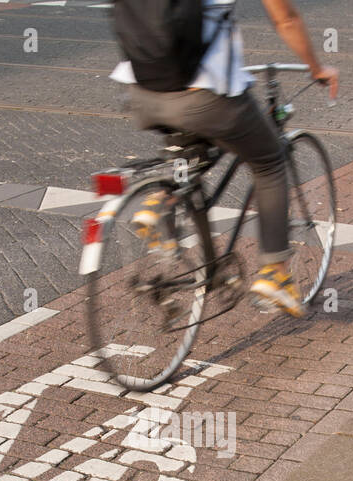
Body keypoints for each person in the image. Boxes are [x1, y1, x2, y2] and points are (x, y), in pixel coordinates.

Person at [110, 0, 339, 318]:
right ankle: (275, 272)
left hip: (143, 92)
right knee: (269, 161)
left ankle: (161, 200)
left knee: (194, 152)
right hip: (205, 93)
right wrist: (317, 68)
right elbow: (285, 19)